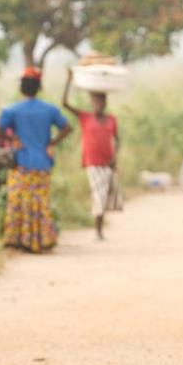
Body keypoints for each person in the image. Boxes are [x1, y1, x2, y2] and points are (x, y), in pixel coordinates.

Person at [0, 67, 72, 253]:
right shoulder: (50, 110)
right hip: (43, 163)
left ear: (21, 87)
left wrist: (13, 139)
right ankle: (42, 241)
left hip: (20, 163)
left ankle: (18, 241)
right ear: (38, 87)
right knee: (40, 202)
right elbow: (67, 128)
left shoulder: (12, 110)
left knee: (18, 202)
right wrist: (52, 142)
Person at [62, 69, 123, 241]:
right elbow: (65, 103)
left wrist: (115, 157)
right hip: (92, 163)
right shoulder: (85, 118)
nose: (98, 105)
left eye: (101, 102)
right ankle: (98, 231)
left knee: (104, 196)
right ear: (91, 103)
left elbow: (117, 140)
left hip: (108, 163)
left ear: (105, 103)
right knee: (99, 195)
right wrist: (69, 80)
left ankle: (99, 229)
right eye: (95, 102)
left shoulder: (111, 120)